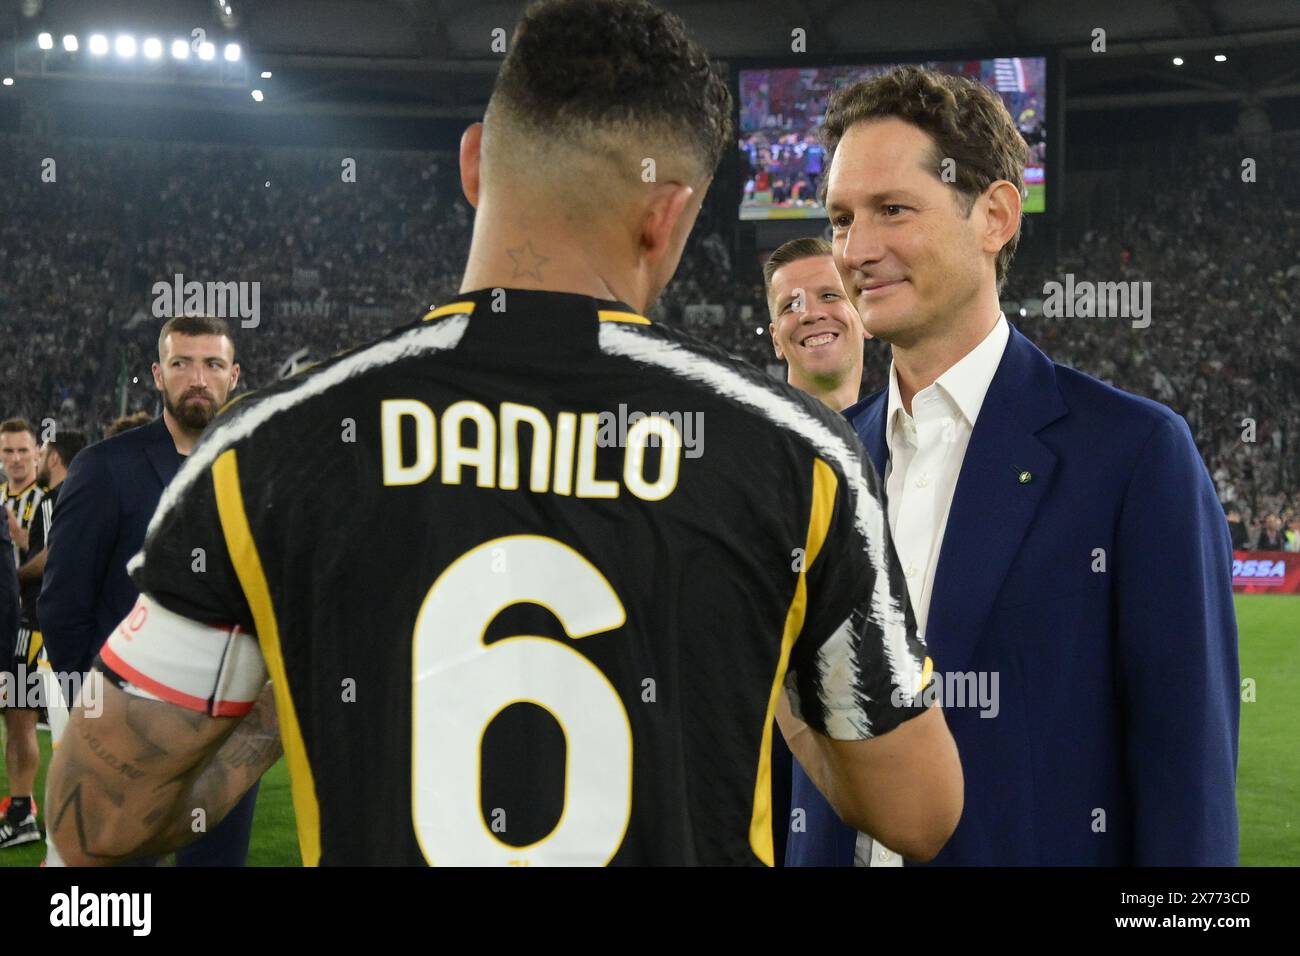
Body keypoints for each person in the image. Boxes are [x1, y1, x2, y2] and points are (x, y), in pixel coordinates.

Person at [48, 0, 961, 867]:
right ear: (668, 212)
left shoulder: (269, 447)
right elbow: (918, 814)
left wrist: (291, 681)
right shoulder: (797, 455)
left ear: (475, 163)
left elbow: (91, 819)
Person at [788, 65, 1239, 866]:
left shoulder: (1134, 456)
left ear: (994, 214)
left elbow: (1187, 783)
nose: (855, 249)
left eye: (892, 209)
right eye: (840, 219)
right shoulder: (820, 464)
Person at [39, 315, 260, 867]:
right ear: (157, 374)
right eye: (181, 363)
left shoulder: (258, 472)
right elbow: (63, 608)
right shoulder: (104, 468)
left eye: (212, 365)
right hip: (129, 734)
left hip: (226, 733)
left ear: (234, 376)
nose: (197, 378)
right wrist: (97, 716)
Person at [0, 418, 47, 848]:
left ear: (37, 453)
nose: (16, 459)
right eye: (8, 452)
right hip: (3, 621)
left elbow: (54, 556)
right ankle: (18, 807)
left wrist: (9, 571)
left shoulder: (46, 499)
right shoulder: (1, 498)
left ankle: (22, 811)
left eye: (22, 451)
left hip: (30, 627)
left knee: (20, 722)